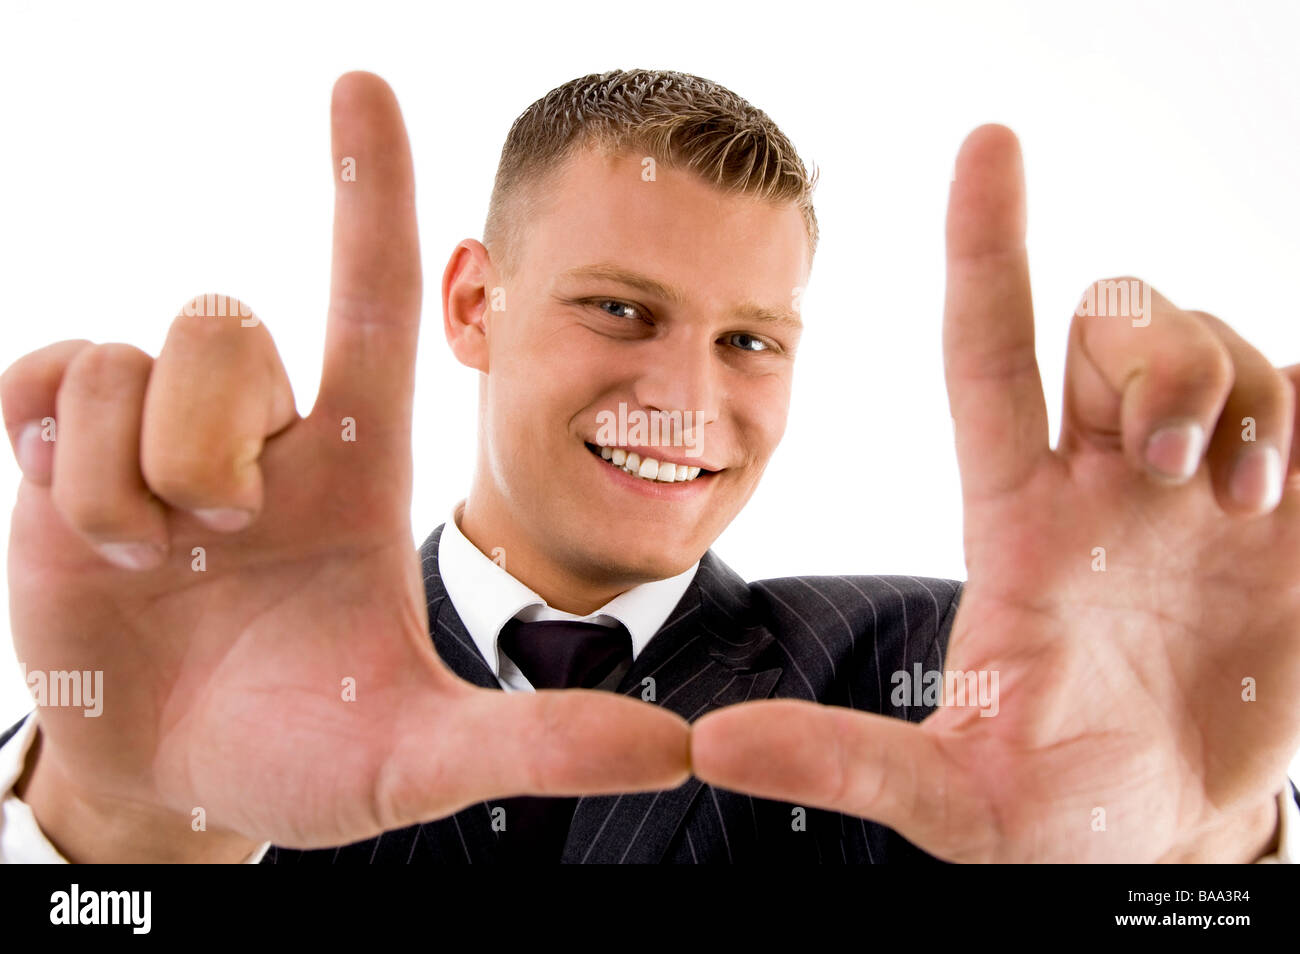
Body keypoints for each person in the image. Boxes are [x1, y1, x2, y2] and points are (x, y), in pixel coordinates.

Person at [0, 69, 1296, 864]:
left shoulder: (967, 687)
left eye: (749, 339)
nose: (686, 398)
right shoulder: (248, 682)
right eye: (619, 309)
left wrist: (1191, 861)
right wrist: (118, 827)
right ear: (470, 305)